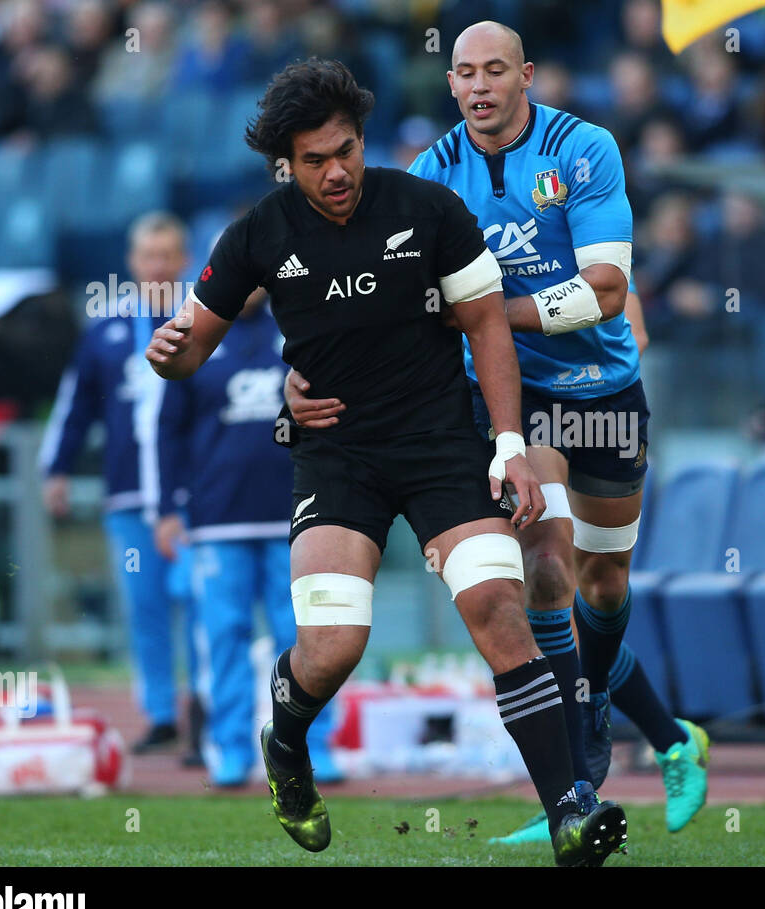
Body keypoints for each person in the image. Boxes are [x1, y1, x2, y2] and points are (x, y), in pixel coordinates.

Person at [145, 58, 627, 866]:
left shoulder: (430, 209)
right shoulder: (257, 233)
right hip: (337, 458)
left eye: (345, 151)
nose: (335, 172)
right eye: (313, 160)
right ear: (284, 165)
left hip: (443, 449)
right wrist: (168, 353)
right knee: (332, 647)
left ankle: (571, 812)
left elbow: (487, 326)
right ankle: (287, 742)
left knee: (500, 611)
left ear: (362, 140)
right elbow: (191, 348)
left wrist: (509, 449)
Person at [285, 22, 709, 843]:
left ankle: (668, 734)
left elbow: (607, 292)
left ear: (527, 77)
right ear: (450, 85)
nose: (480, 86)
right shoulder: (428, 175)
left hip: (605, 389)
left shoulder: (584, 150)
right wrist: (305, 374)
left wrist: (485, 313)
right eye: (465, 73)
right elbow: (374, 295)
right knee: (543, 568)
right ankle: (578, 783)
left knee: (604, 587)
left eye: (495, 71)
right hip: (509, 402)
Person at [150, 287, 339, 788]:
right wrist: (167, 509)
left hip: (297, 516)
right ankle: (229, 748)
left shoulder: (302, 325)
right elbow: (167, 429)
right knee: (222, 638)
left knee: (309, 639)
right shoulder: (194, 335)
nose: (250, 286)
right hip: (217, 522)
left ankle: (312, 748)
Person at [40, 211, 200, 760]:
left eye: (167, 255)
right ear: (132, 263)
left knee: (201, 606)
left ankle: (206, 715)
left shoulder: (204, 322)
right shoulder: (106, 330)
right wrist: (55, 469)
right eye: (147, 255)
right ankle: (160, 714)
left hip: (190, 498)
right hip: (128, 497)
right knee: (145, 607)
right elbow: (75, 407)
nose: (157, 265)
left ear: (183, 260)